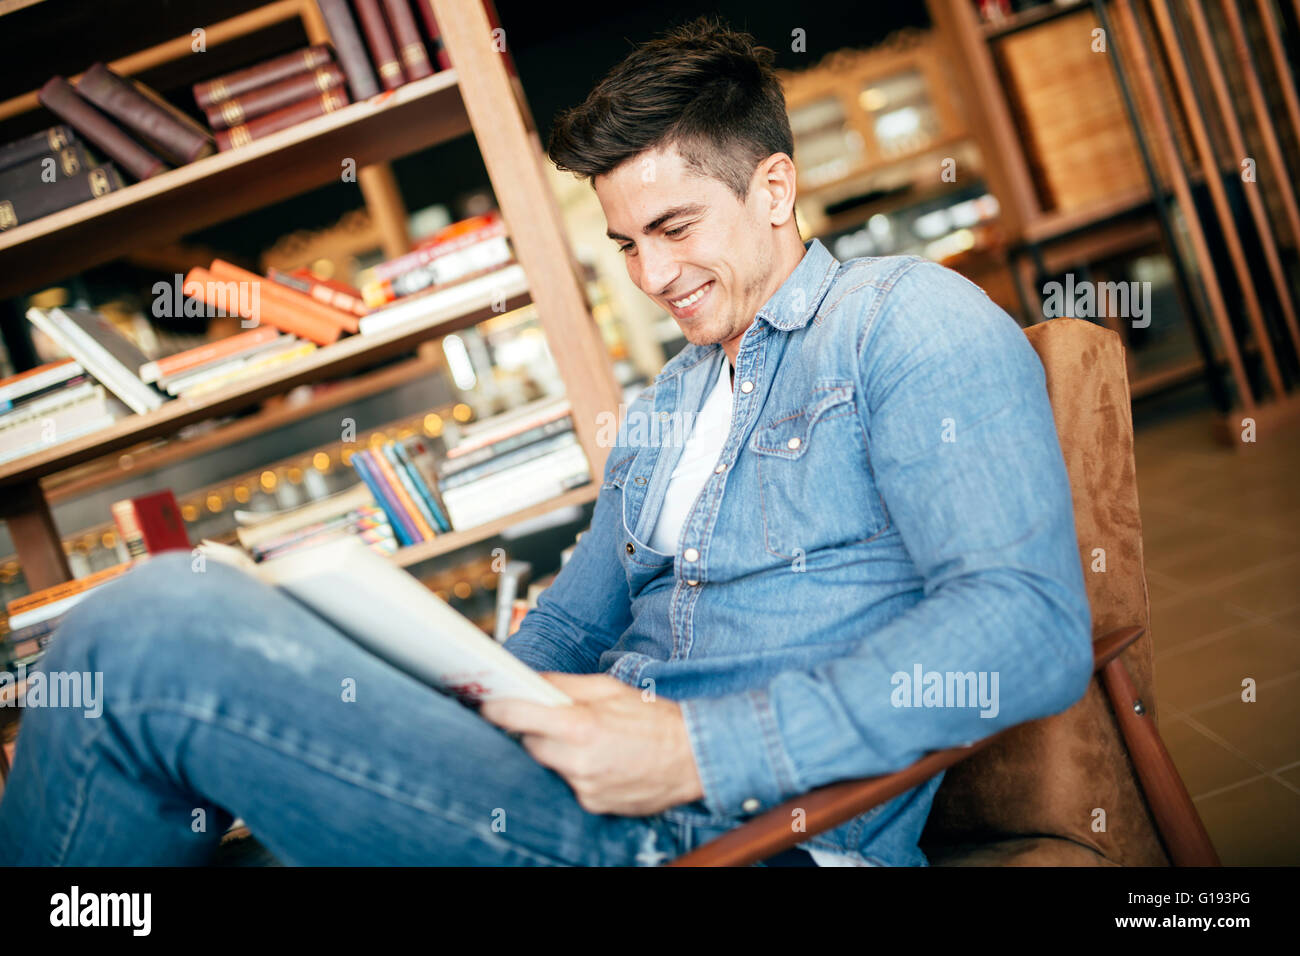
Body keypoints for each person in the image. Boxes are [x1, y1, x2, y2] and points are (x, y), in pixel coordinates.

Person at [0, 16, 1092, 867]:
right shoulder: (668, 396)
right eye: (624, 243)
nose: (650, 277)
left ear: (773, 187)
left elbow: (1027, 623)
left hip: (728, 833)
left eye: (673, 229)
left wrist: (695, 748)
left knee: (154, 621)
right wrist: (430, 699)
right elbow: (568, 624)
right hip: (566, 792)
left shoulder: (904, 319)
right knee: (161, 701)